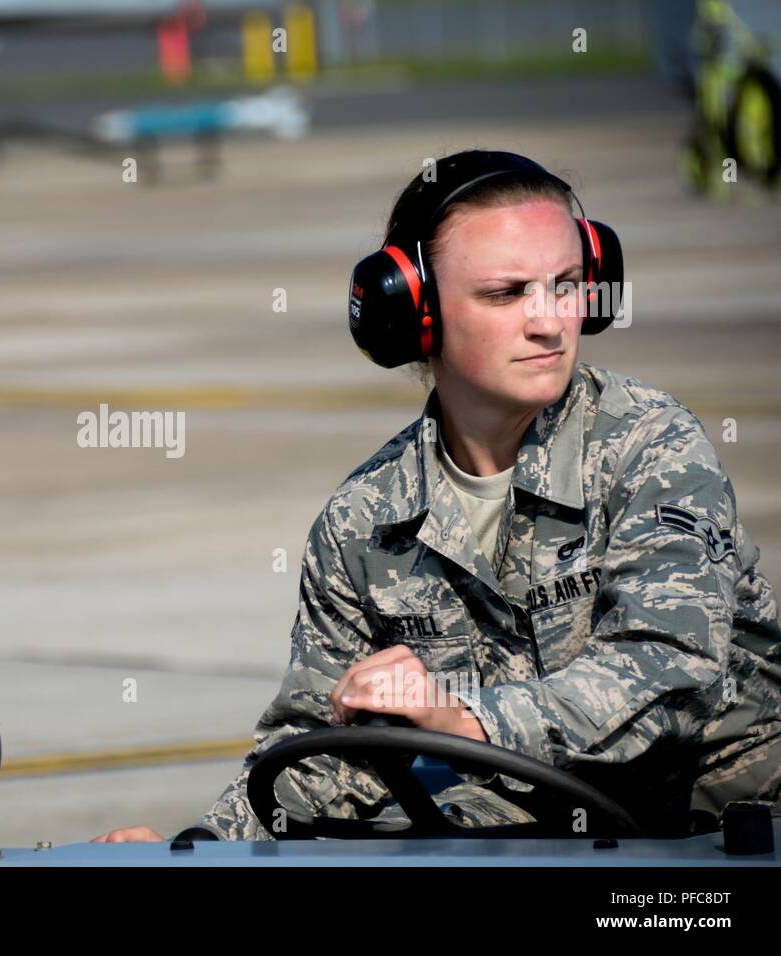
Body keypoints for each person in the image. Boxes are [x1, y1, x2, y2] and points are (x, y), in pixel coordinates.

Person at [91, 149, 781, 845]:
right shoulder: (363, 524)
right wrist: (199, 850)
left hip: (729, 832)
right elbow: (320, 755)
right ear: (415, 314)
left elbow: (667, 678)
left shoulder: (649, 446)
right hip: (544, 834)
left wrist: (463, 719)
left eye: (567, 285)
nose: (549, 322)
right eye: (506, 293)